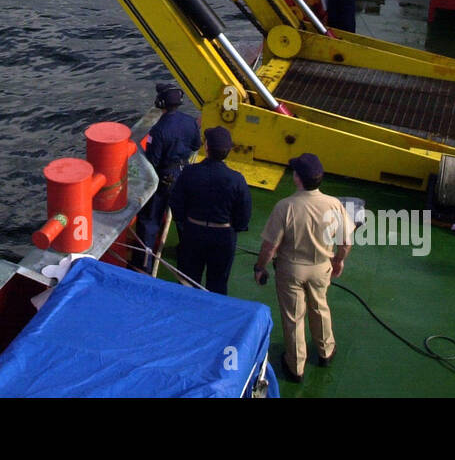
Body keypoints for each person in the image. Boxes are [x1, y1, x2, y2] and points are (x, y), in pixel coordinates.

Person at [253, 154, 353, 384]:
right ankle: (326, 350)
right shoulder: (334, 205)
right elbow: (346, 242)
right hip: (321, 268)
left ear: (297, 179)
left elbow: (270, 246)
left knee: (294, 317)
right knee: (320, 307)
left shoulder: (285, 207)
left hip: (291, 270)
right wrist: (338, 260)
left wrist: (260, 267)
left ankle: (296, 366)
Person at [170, 126, 251, 295]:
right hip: (223, 237)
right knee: (218, 283)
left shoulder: (189, 173)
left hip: (193, 232)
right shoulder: (237, 179)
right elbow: (244, 213)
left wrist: (184, 222)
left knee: (188, 281)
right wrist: (233, 228)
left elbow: (176, 201)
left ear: (206, 147)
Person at [131, 82, 200, 274]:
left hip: (165, 178)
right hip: (184, 174)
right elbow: (196, 144)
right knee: (184, 217)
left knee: (149, 219)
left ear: (160, 102)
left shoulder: (159, 130)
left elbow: (153, 159)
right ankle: (187, 253)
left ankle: (144, 262)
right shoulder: (190, 122)